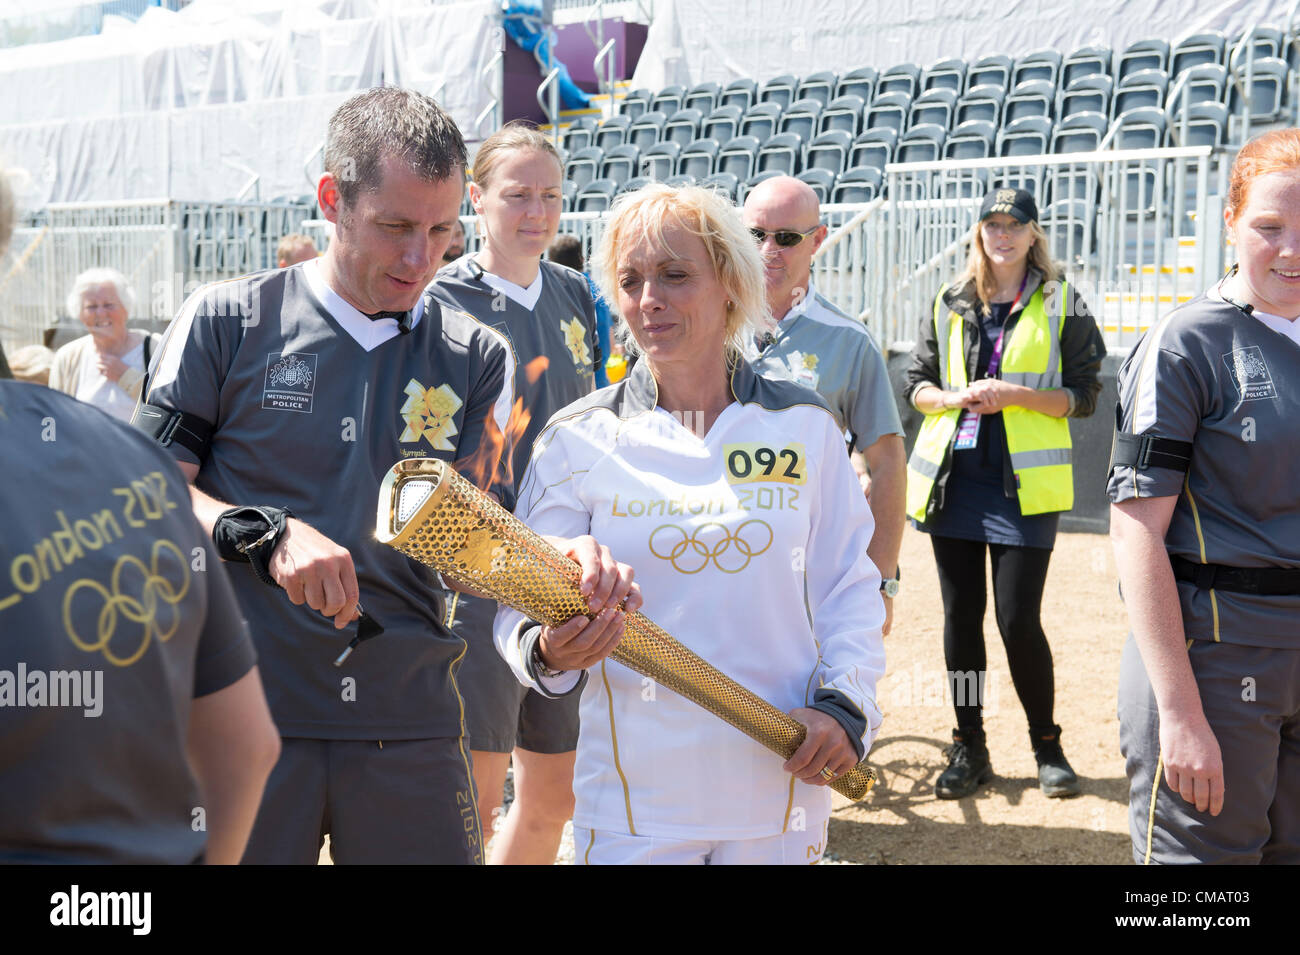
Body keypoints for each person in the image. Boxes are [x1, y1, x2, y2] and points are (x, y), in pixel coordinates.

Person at [135, 87, 564, 865]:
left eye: (441, 231)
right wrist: (261, 532)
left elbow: (483, 550)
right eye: (395, 227)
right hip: (243, 708)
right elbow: (145, 492)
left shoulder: (479, 357)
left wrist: (565, 580)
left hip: (410, 718)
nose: (420, 258)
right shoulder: (227, 322)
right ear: (333, 200)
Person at [495, 183, 885, 865]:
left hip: (780, 796)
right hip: (633, 810)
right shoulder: (577, 438)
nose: (651, 298)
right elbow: (517, 611)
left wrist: (845, 709)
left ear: (731, 283)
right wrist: (557, 645)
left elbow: (850, 589)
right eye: (632, 279)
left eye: (676, 275)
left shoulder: (805, 428)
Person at [0, 167, 281, 865]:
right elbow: (244, 747)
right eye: (88, 307)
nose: (99, 316)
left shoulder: (149, 387)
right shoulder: (126, 459)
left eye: (107, 305)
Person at [1110, 128, 1300, 864]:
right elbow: (1136, 534)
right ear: (1229, 222)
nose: (1290, 251)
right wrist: (1181, 714)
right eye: (1269, 228)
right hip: (1217, 661)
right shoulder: (1186, 343)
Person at [427, 121, 600, 865]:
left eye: (551, 195)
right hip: (479, 571)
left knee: (554, 794)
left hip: (565, 572)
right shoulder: (438, 299)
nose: (537, 211)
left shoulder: (575, 294)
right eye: (517, 194)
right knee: (474, 783)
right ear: (476, 198)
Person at [904, 187, 1105, 800]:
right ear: (979, 233)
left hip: (1025, 486)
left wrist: (1016, 395)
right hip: (955, 481)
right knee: (961, 621)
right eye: (991, 224)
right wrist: (948, 398)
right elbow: (916, 382)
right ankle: (969, 744)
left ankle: (1048, 744)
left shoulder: (1062, 300)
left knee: (1019, 621)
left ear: (1033, 233)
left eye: (1013, 224)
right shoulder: (950, 298)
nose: (1002, 234)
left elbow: (1085, 394)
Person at [743, 175, 906, 633]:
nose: (768, 249)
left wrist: (883, 581)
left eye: (787, 238)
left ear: (818, 240)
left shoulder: (851, 341)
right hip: (719, 557)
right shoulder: (705, 324)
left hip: (814, 571)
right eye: (756, 234)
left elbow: (888, 461)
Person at [49, 269, 162, 423]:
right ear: (80, 314)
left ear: (126, 308)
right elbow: (55, 414)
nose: (101, 313)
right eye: (91, 306)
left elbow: (169, 405)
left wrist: (127, 377)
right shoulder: (67, 357)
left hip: (139, 447)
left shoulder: (156, 348)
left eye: (109, 305)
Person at [548, 233, 613, 387]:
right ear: (582, 259)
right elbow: (607, 331)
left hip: (564, 386)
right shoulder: (593, 289)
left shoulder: (549, 292)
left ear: (551, 262)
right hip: (598, 379)